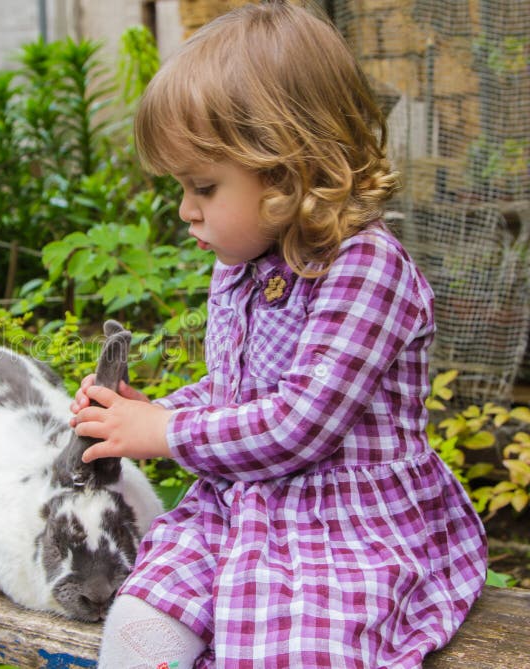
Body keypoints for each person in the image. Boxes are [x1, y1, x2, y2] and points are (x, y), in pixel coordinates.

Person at [70, 2, 488, 667]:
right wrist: (153, 410)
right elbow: (236, 388)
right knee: (141, 619)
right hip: (239, 504)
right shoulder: (239, 266)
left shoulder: (366, 268)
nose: (185, 209)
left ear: (289, 173)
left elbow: (300, 421)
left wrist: (167, 434)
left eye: (203, 185)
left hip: (344, 525)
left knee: (297, 646)